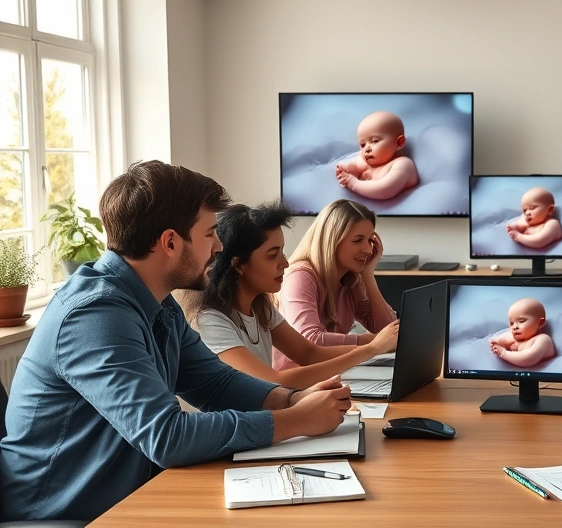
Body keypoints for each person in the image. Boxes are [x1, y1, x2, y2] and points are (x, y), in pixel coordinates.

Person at [0, 161, 353, 523]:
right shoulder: (93, 316)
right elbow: (167, 438)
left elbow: (216, 383)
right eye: (209, 234)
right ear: (170, 242)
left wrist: (294, 399)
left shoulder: (156, 300)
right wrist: (296, 420)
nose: (218, 246)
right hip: (60, 515)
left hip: (128, 497)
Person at [185, 201, 400, 389]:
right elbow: (272, 382)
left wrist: (373, 347)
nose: (286, 263)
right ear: (239, 265)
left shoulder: (261, 306)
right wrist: (371, 348)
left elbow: (309, 354)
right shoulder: (210, 321)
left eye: (282, 251)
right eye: (272, 255)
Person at [275, 199, 397, 370]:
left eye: (370, 240)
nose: (369, 250)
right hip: (295, 384)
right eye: (357, 240)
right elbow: (310, 340)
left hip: (330, 376)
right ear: (332, 240)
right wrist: (375, 342)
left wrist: (368, 275)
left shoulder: (351, 280)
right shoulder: (300, 276)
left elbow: (387, 329)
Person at [335, 110, 419, 200]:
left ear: (399, 143)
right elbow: (356, 165)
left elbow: (386, 189)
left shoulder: (403, 164)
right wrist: (347, 169)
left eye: (375, 141)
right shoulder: (366, 160)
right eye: (363, 145)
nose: (367, 149)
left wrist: (354, 183)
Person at [489, 297, 556, 367]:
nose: (515, 327)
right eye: (512, 323)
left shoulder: (543, 340)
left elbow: (528, 359)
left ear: (541, 323)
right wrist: (496, 343)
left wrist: (503, 353)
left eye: (521, 321)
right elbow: (501, 339)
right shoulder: (515, 337)